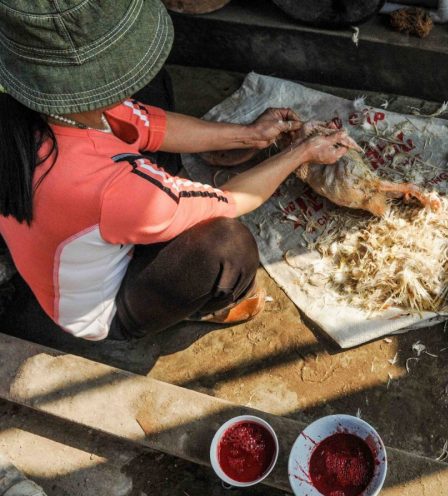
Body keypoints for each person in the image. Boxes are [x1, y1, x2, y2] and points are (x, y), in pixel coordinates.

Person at [0, 0, 351, 341]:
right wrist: (301, 152)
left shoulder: (43, 110)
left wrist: (247, 135)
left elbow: (148, 122)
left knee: (153, 89)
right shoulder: (115, 187)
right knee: (227, 246)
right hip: (104, 309)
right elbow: (231, 200)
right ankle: (207, 306)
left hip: (87, 227)